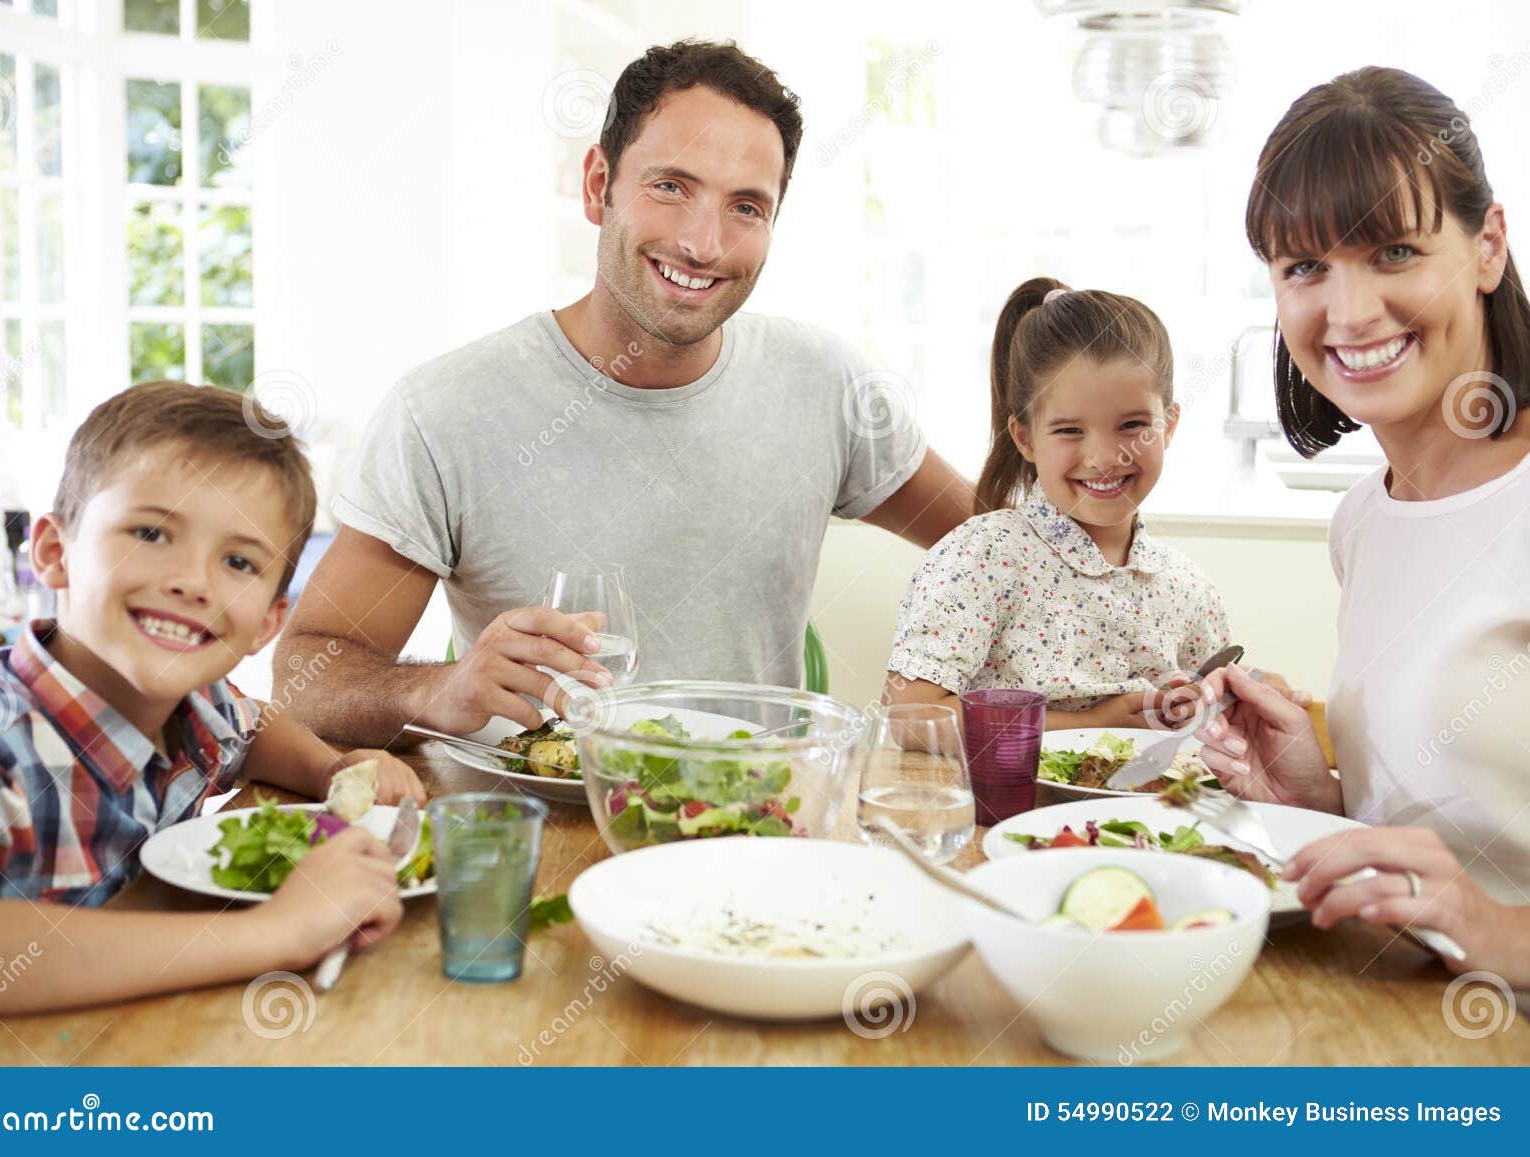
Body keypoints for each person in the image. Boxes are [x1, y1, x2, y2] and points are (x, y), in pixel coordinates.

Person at [276, 40, 972, 747]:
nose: (704, 244)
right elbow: (306, 679)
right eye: (671, 186)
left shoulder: (829, 385)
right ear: (596, 184)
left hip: (762, 828)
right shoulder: (443, 413)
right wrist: (438, 688)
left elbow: (1011, 545)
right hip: (545, 836)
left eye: (746, 207)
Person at [0, 382, 423, 1025]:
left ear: (267, 623)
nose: (193, 582)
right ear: (54, 552)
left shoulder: (195, 704)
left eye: (240, 563)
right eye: (150, 533)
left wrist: (335, 772)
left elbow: (256, 726)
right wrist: (273, 934)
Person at [1198, 66, 1530, 970]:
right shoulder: (1362, 521)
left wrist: (1495, 928)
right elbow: (1452, 837)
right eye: (1306, 267)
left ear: (1488, 245)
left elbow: (1480, 895)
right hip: (1408, 1021)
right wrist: (1321, 794)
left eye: (1393, 252)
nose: (1349, 312)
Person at [882, 277, 1240, 730]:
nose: (1107, 458)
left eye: (1132, 425)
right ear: (1025, 438)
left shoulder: (1190, 590)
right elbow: (911, 716)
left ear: (1168, 426)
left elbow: (1211, 726)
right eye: (1070, 430)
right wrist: (1093, 724)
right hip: (1004, 802)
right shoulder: (981, 557)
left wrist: (1219, 705)